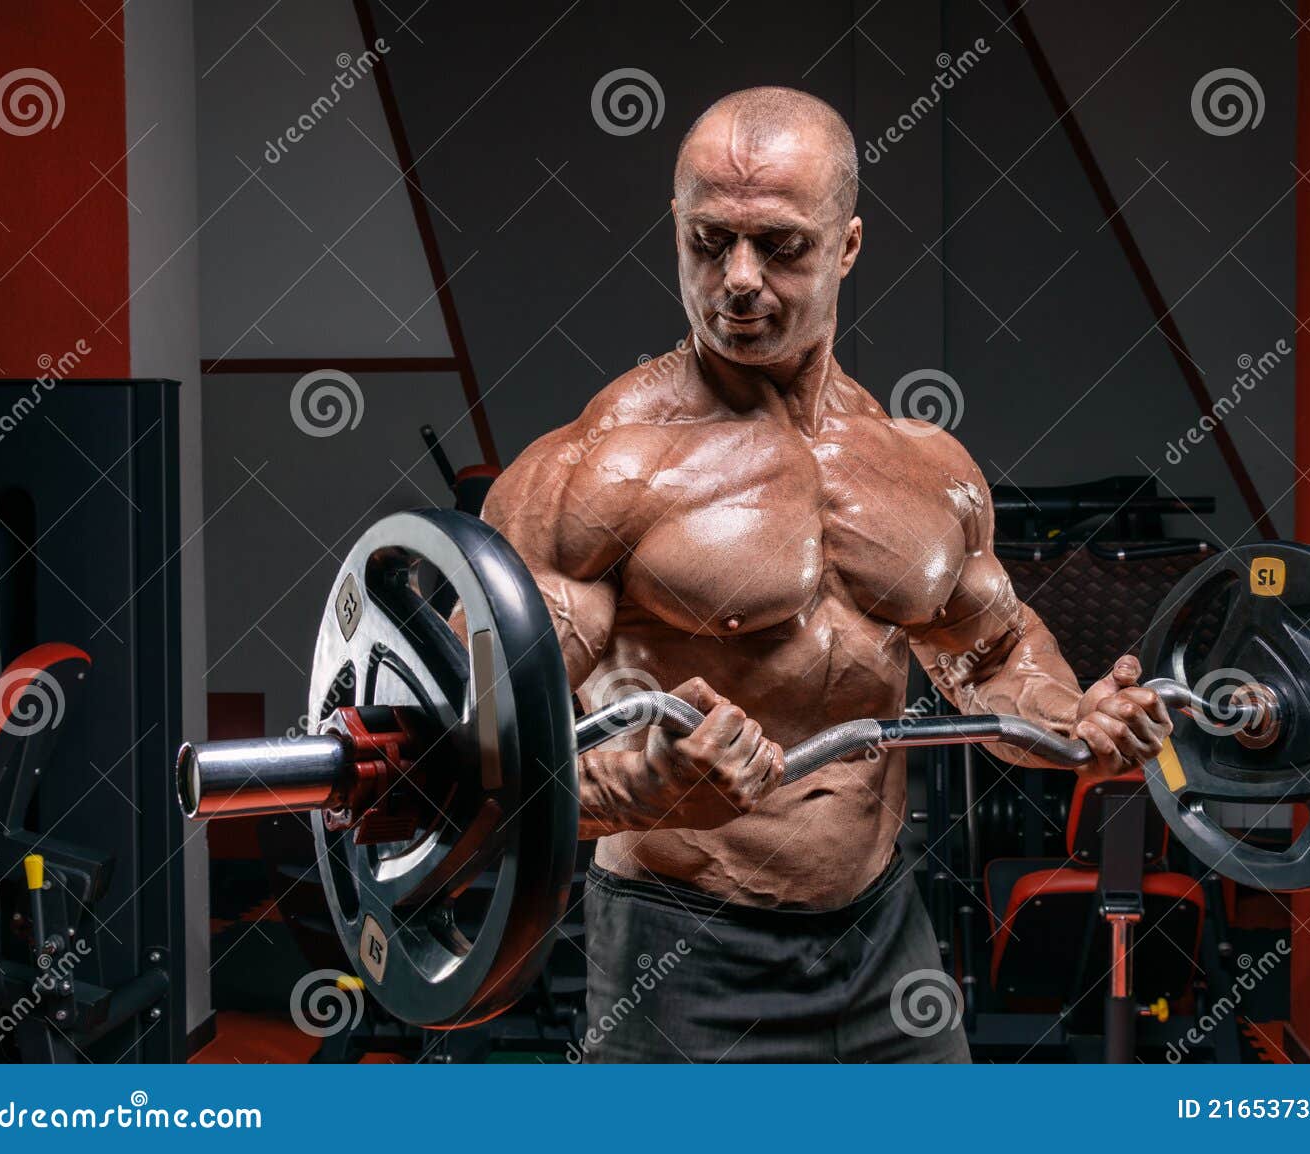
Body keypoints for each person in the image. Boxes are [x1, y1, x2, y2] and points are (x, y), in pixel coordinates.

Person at [476, 87, 1172, 1061]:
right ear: (675, 230)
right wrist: (644, 784)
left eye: (783, 246)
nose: (740, 280)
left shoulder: (926, 466)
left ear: (846, 246)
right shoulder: (595, 475)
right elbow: (484, 768)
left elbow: (992, 653)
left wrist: (1072, 721)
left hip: (886, 937)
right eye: (710, 242)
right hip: (682, 957)